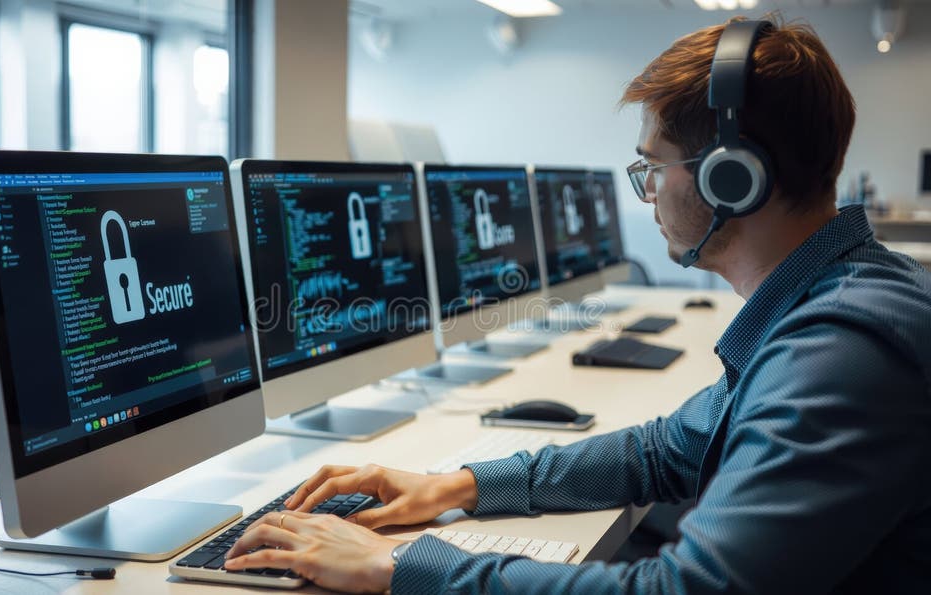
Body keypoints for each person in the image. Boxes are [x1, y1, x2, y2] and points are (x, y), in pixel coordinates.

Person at [224, 16, 931, 594]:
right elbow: (665, 449)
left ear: (734, 180)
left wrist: (400, 565)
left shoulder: (839, 351)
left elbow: (684, 591)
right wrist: (458, 485)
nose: (647, 192)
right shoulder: (826, 302)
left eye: (654, 167)